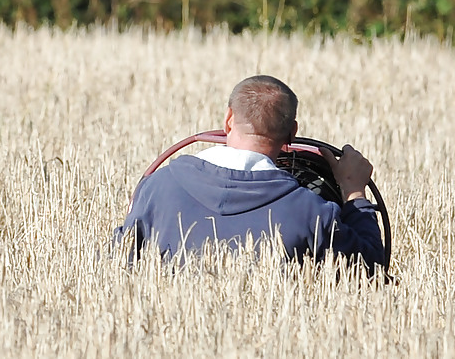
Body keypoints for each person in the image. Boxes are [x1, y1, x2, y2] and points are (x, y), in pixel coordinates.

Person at [116, 75, 385, 268]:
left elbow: (119, 258)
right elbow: (372, 267)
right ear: (292, 133)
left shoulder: (158, 186)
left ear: (229, 119)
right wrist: (353, 191)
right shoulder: (312, 212)